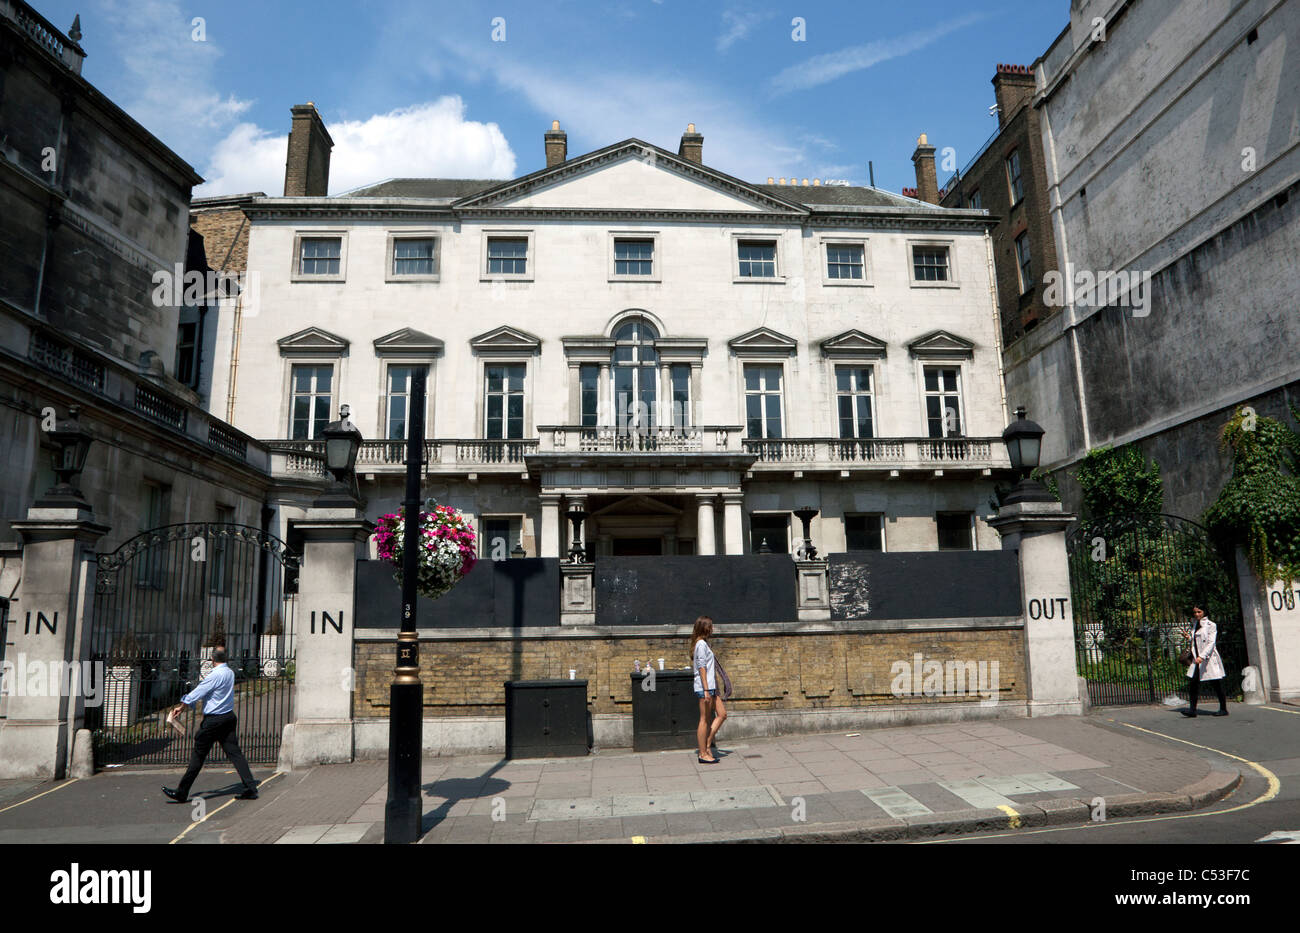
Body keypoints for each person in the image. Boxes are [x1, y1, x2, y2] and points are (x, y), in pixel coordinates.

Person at [163, 646, 260, 803]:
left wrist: (182, 706)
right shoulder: (229, 672)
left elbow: (199, 691)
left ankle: (182, 792)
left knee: (198, 755)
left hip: (213, 720)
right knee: (235, 753)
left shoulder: (215, 675)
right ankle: (250, 788)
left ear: (212, 659)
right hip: (228, 717)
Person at [691, 615, 727, 764]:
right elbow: (702, 668)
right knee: (704, 720)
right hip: (705, 688)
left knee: (722, 714)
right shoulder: (700, 645)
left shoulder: (704, 644)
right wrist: (706, 690)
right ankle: (702, 753)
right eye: (711, 626)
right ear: (705, 628)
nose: (713, 629)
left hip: (711, 687)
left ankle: (707, 743)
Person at [1182, 606, 1228, 718]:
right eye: (1195, 612)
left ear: (1204, 612)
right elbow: (1197, 641)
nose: (1197, 614)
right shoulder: (1195, 625)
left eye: (1199, 612)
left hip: (1208, 659)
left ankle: (1223, 708)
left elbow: (1211, 643)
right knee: (1193, 683)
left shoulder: (1211, 625)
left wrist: (1202, 656)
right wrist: (1189, 637)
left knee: (1216, 683)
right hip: (1197, 659)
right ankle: (1192, 710)